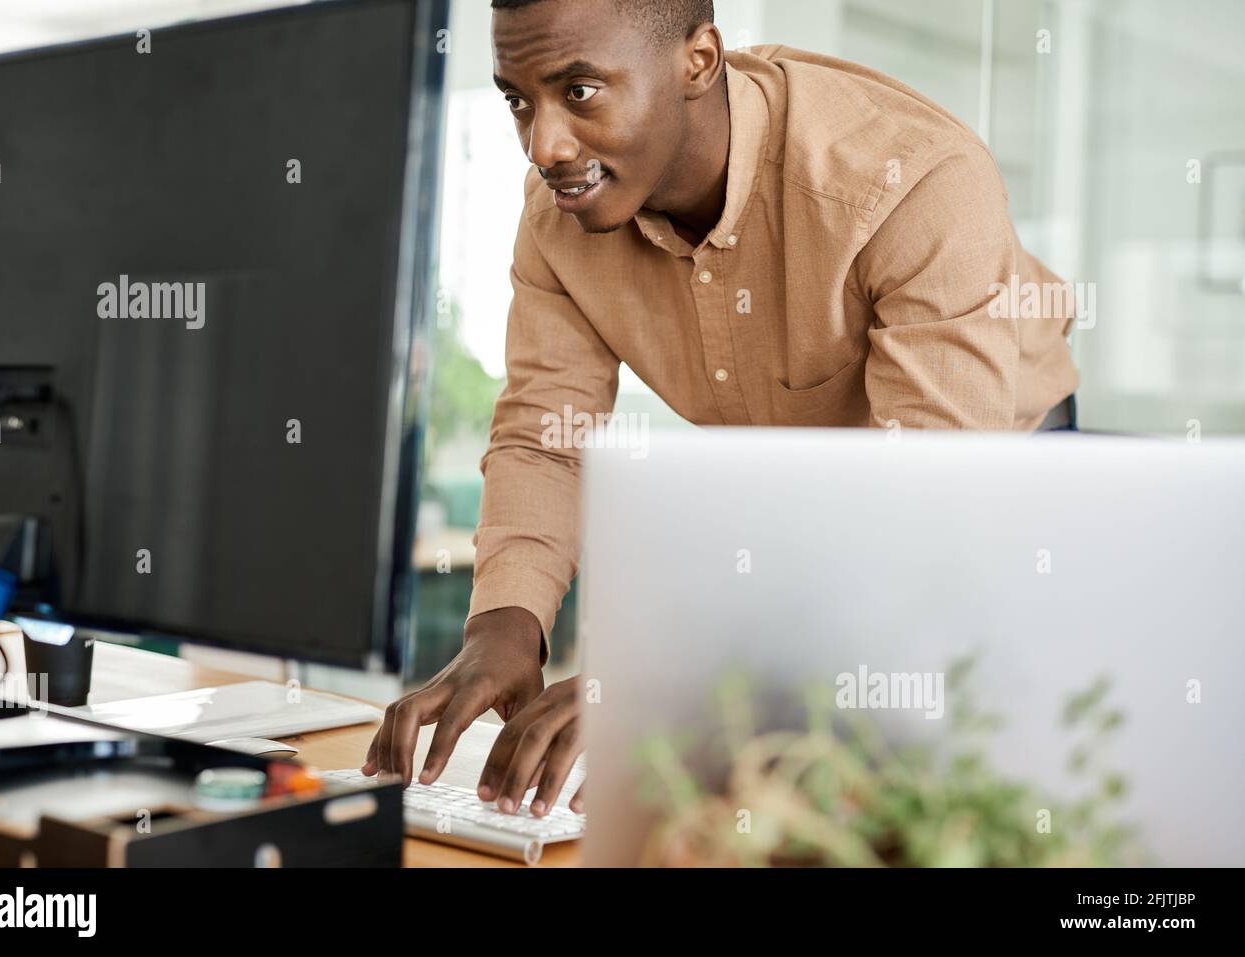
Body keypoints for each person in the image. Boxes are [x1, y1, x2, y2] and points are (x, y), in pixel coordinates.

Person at [363, 0, 1080, 816]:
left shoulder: (912, 183)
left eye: (581, 91)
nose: (544, 146)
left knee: (931, 774)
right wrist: (504, 623)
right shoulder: (557, 221)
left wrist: (666, 681)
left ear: (700, 61)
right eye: (518, 100)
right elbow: (545, 437)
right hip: (794, 486)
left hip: (992, 480)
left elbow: (925, 519)